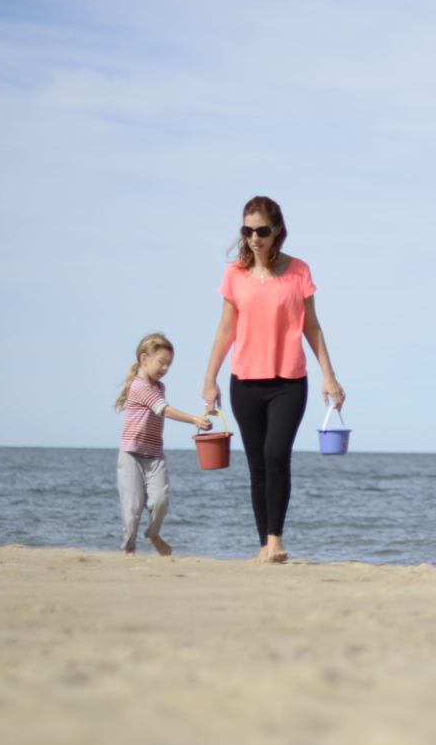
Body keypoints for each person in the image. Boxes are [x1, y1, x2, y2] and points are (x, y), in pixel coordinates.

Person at [202, 196, 345, 564]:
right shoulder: (234, 274)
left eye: (262, 230)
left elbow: (311, 326)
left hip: (289, 381)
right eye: (247, 231)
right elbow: (225, 329)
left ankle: (276, 540)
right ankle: (265, 546)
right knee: (257, 465)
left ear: (277, 230)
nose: (254, 237)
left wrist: (329, 376)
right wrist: (210, 378)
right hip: (244, 382)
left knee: (276, 454)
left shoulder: (299, 271)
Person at [113, 332, 210, 556]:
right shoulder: (139, 386)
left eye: (169, 364)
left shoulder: (160, 387)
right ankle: (129, 549)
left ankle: (153, 533)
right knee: (133, 507)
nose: (165, 368)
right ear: (144, 358)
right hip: (131, 455)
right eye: (161, 362)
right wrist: (195, 419)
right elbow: (163, 409)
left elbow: (161, 405)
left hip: (155, 456)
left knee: (160, 501)